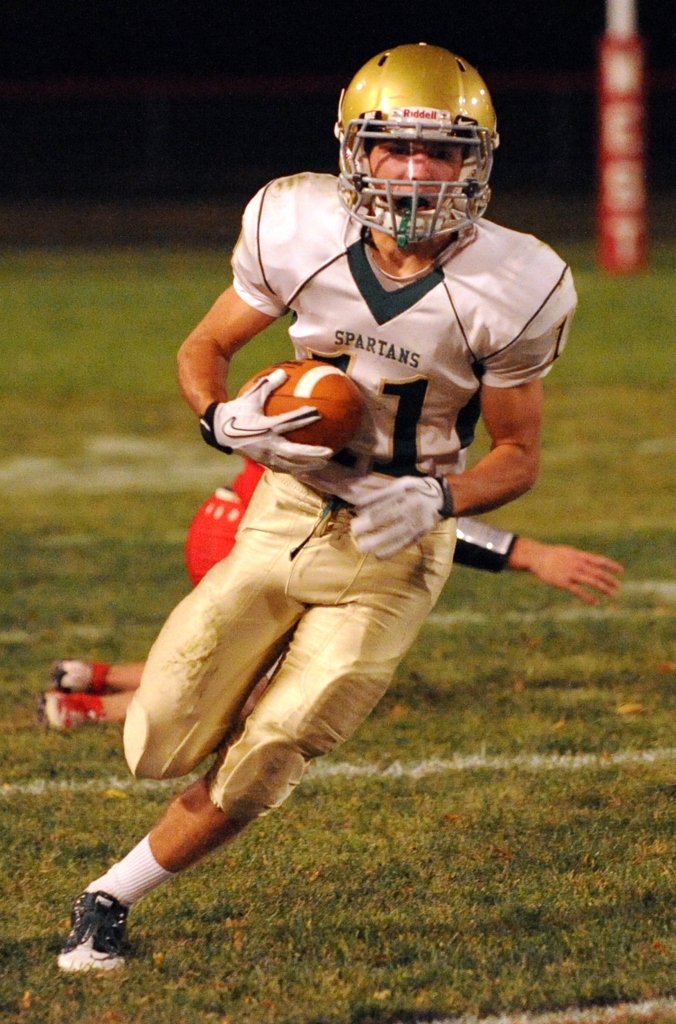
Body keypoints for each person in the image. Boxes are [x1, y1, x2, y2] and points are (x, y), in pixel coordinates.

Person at [57, 42, 581, 971]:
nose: (417, 172)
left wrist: (433, 497)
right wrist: (224, 421)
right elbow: (203, 348)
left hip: (397, 547)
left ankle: (108, 899)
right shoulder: (294, 225)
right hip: (281, 510)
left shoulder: (519, 282)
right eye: (395, 148)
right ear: (355, 152)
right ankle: (130, 725)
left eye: (443, 152)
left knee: (279, 744)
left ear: (479, 163)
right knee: (159, 735)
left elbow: (520, 456)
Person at [40, 471, 623, 730]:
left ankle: (95, 677)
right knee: (262, 688)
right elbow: (415, 514)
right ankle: (94, 710)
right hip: (262, 535)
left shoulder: (336, 363)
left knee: (237, 657)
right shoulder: (374, 394)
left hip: (235, 517)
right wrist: (529, 553)